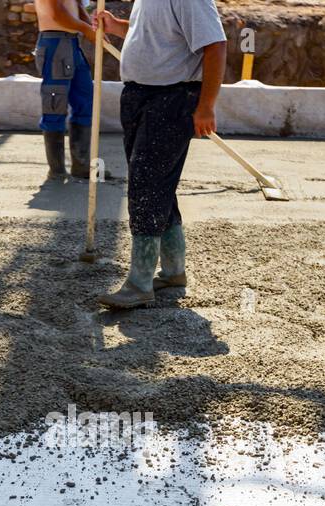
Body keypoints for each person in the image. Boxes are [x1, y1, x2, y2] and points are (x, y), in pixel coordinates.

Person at [94, 0, 225, 309]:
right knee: (158, 186)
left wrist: (206, 106)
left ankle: (140, 283)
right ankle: (173, 271)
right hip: (141, 95)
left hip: (172, 98)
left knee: (146, 187)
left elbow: (215, 45)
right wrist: (116, 27)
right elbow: (154, 33)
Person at [33, 0, 96, 180]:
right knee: (55, 105)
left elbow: (77, 6)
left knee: (85, 102)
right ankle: (57, 170)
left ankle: (81, 165)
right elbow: (58, 14)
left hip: (72, 42)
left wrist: (92, 28)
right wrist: (87, 30)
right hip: (54, 42)